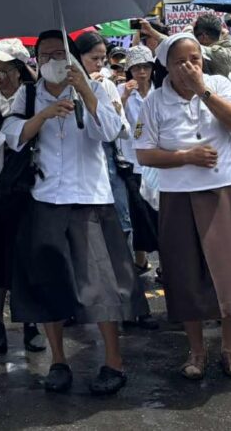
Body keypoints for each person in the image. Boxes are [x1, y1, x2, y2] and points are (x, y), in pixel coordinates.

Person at [5, 31, 134, 397]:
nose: (52, 60)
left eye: (60, 53)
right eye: (45, 55)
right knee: (49, 283)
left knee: (100, 285)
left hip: (89, 197)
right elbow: (13, 136)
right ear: (36, 60)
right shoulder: (28, 94)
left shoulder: (97, 87)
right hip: (45, 198)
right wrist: (43, 115)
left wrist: (87, 92)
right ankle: (58, 360)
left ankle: (113, 362)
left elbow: (112, 133)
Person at [135, 34, 231, 380]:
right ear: (166, 66)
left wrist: (203, 92)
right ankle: (196, 350)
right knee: (185, 276)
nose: (190, 66)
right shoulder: (154, 102)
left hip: (223, 190)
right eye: (181, 61)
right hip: (178, 197)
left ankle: (228, 347)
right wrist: (184, 157)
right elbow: (144, 153)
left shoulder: (219, 83)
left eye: (195, 58)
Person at [75, 32, 157, 331]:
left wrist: (103, 97)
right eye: (93, 58)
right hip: (75, 181)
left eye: (101, 57)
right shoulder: (51, 91)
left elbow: (118, 130)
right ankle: (85, 305)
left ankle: (132, 306)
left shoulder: (104, 84)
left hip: (110, 167)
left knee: (121, 230)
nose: (99, 63)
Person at [0, 38, 46, 354]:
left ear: (21, 72)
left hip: (32, 187)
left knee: (28, 258)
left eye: (6, 70)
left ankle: (30, 322)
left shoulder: (36, 98)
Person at [120, 45, 159, 272]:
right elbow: (116, 121)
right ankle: (141, 258)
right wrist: (124, 97)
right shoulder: (122, 91)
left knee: (159, 212)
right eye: (136, 68)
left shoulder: (160, 92)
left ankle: (166, 262)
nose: (141, 73)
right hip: (133, 160)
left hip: (157, 158)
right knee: (138, 211)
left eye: (145, 67)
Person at [192, 13, 231, 78]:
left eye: (196, 35)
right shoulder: (227, 52)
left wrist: (189, 28)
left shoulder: (206, 52)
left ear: (204, 36)